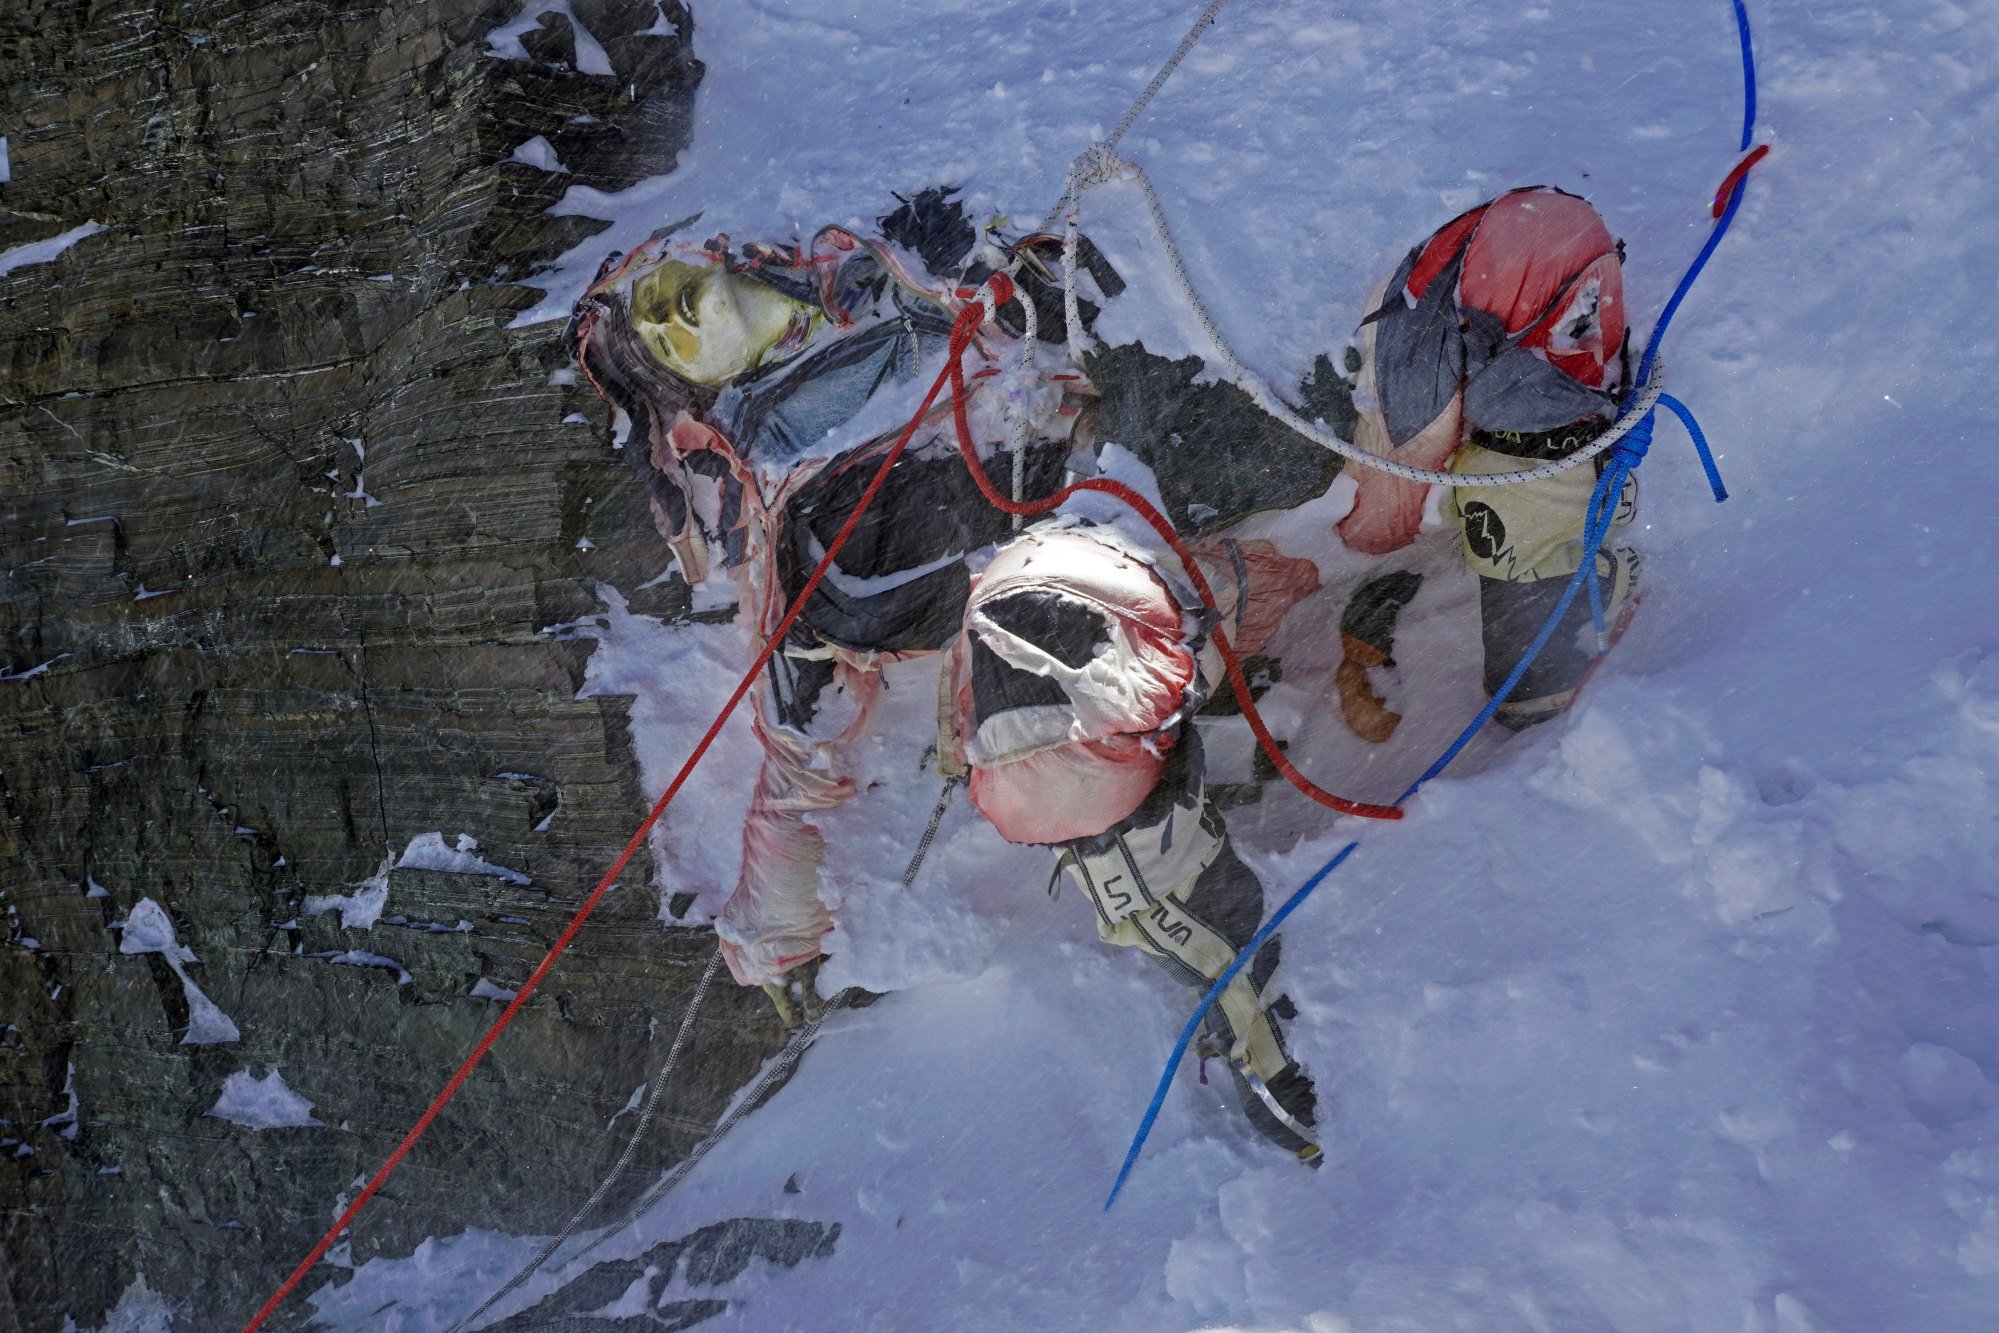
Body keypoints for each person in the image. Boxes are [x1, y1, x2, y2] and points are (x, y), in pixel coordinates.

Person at [567, 190, 1332, 1161]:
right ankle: (1259, 1015)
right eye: (669, 333)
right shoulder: (773, 497)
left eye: (675, 298)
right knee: (1029, 710)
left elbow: (1032, 290)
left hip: (1088, 459)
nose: (684, 317)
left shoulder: (873, 279)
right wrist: (773, 929)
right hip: (1046, 545)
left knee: (1046, 676)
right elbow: (800, 744)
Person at [1321, 187, 1642, 740]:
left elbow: (1389, 499)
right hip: (1538, 423)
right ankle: (1571, 592)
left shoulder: (1424, 350)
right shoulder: (1433, 359)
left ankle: (1572, 603)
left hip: (1531, 438)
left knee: (1529, 688)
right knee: (1528, 681)